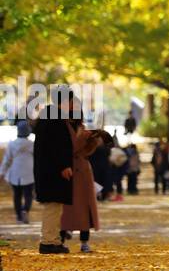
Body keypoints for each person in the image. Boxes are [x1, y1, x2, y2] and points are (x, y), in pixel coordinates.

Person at [33, 88, 77, 254]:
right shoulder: (54, 118)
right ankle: (48, 242)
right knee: (52, 207)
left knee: (55, 207)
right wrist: (63, 165)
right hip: (52, 172)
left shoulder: (50, 116)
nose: (72, 104)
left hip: (49, 170)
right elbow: (54, 146)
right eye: (71, 101)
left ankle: (53, 240)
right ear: (65, 101)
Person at [63, 114, 107, 253]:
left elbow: (88, 151)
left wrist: (93, 141)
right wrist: (82, 138)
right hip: (68, 168)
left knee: (85, 206)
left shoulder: (83, 129)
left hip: (82, 169)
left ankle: (84, 240)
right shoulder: (63, 129)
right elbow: (70, 148)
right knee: (67, 206)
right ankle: (63, 234)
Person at [2, 119, 35, 223]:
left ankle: (19, 216)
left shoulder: (12, 144)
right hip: (29, 173)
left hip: (15, 173)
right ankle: (25, 210)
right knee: (28, 194)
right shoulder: (32, 144)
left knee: (17, 195)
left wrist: (2, 172)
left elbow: (7, 160)